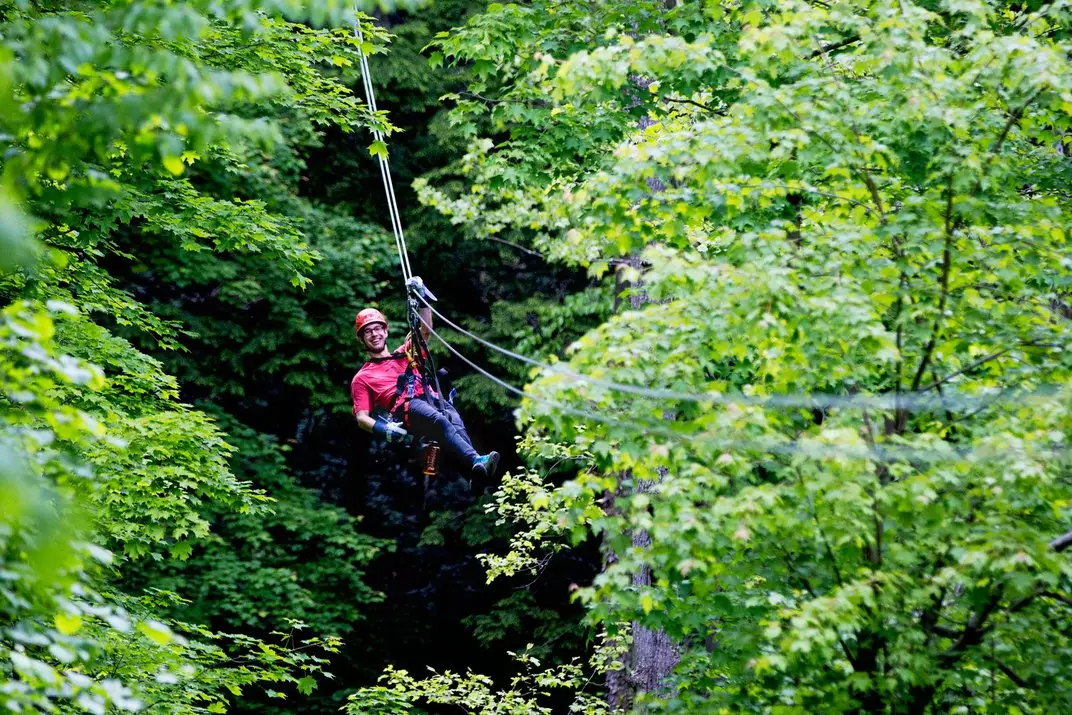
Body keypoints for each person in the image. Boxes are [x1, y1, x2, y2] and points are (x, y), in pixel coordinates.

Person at [351, 305, 500, 485]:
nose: (374, 334)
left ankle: (474, 475)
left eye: (377, 329)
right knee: (440, 421)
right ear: (362, 339)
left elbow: (425, 330)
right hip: (407, 407)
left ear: (385, 331)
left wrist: (422, 302)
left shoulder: (404, 353)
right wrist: (386, 430)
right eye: (368, 332)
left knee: (456, 424)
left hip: (431, 399)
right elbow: (361, 418)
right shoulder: (362, 378)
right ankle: (476, 460)